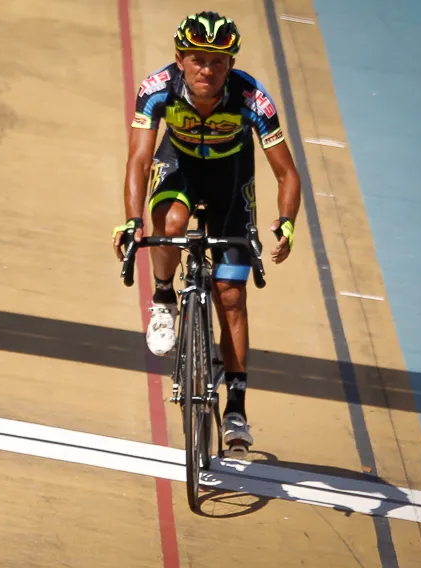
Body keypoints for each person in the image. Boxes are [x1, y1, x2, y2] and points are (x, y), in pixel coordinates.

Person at [113, 11, 301, 453]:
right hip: (179, 168)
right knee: (171, 226)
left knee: (231, 295)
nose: (207, 70)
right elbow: (139, 160)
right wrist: (131, 219)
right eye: (198, 59)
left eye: (218, 62)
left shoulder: (253, 97)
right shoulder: (156, 89)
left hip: (231, 181)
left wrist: (287, 220)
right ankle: (163, 299)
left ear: (230, 65)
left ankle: (236, 409)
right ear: (180, 59)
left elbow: (287, 174)